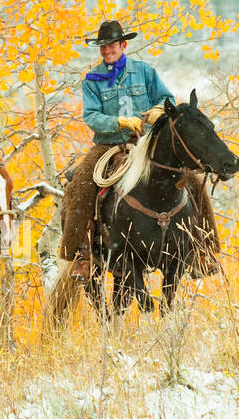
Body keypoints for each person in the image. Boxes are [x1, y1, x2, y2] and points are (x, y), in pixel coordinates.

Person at [59, 20, 175, 281]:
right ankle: (81, 254)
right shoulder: (92, 80)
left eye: (111, 45)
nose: (106, 50)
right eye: (102, 46)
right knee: (80, 184)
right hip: (108, 145)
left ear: (123, 45)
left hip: (145, 142)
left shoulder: (145, 72)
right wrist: (118, 122)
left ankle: (205, 248)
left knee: (190, 175)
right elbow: (90, 116)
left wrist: (158, 110)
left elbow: (166, 98)